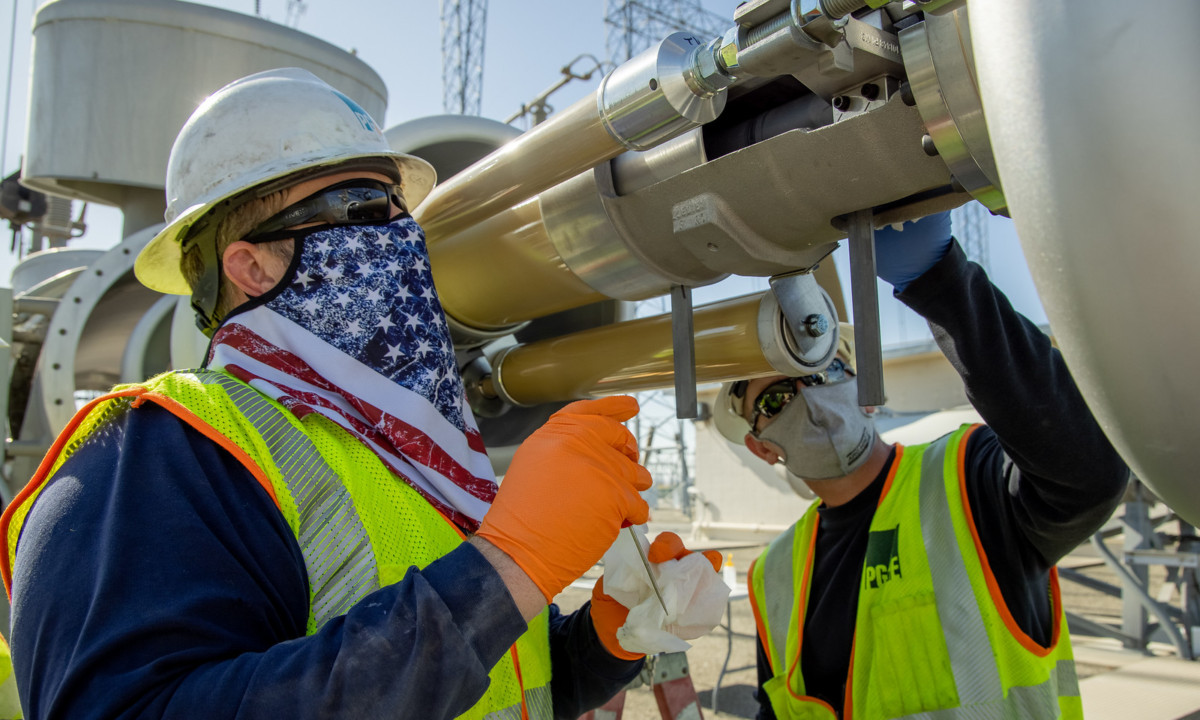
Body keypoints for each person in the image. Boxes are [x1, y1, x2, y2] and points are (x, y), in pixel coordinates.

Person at [0, 68, 715, 720]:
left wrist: (603, 640)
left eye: (400, 209)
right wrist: (508, 567)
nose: (403, 235)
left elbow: (490, 685)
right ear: (251, 266)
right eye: (365, 206)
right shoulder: (162, 449)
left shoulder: (410, 450)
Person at [713, 213, 1130, 719]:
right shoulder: (773, 576)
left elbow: (1089, 473)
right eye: (777, 398)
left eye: (825, 370)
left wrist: (941, 282)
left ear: (866, 392)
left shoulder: (969, 482)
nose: (811, 397)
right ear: (761, 448)